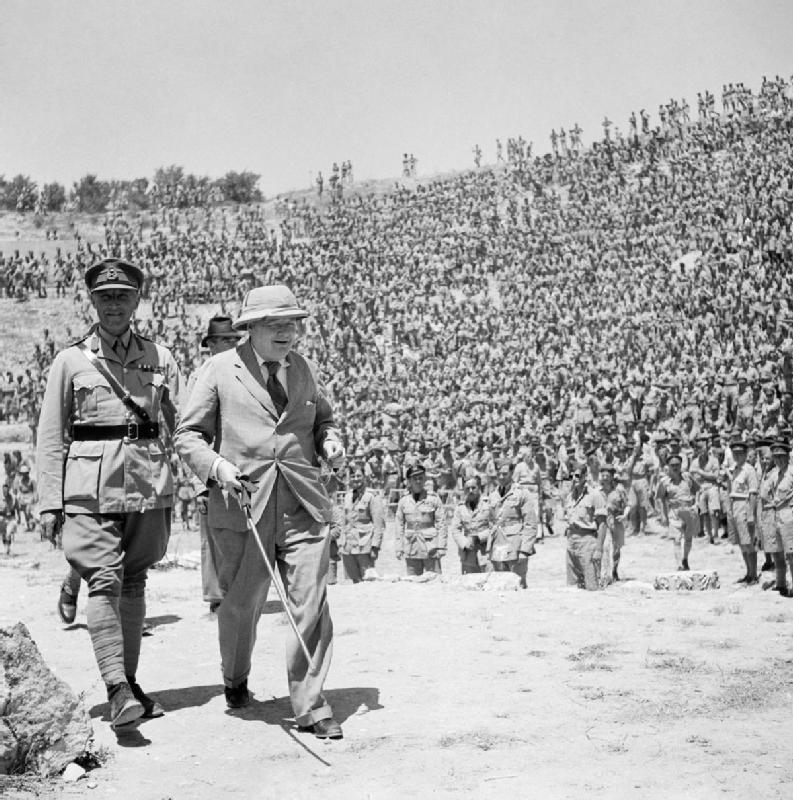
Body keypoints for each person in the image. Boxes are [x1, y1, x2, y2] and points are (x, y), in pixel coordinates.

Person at [174, 284, 345, 740]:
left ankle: (310, 703)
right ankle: (235, 678)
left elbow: (322, 417)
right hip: (243, 506)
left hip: (302, 505)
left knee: (311, 602)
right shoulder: (217, 370)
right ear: (251, 329)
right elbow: (188, 436)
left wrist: (329, 440)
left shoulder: (303, 369)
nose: (288, 332)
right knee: (240, 605)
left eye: (293, 323)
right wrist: (217, 467)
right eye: (276, 324)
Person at [36, 257, 182, 729]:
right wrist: (49, 502)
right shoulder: (71, 360)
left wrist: (205, 479)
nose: (114, 304)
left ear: (137, 301)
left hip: (147, 484)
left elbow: (186, 428)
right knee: (103, 579)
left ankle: (130, 683)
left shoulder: (162, 358)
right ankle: (116, 687)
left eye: (123, 295)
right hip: (89, 488)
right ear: (93, 301)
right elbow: (52, 435)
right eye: (105, 296)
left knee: (135, 581)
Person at [190, 315, 244, 612]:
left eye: (235, 339)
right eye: (224, 340)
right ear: (209, 344)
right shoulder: (201, 377)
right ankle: (217, 598)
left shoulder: (246, 373)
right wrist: (200, 484)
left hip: (243, 465)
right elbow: (190, 435)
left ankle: (241, 594)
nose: (231, 345)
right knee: (214, 539)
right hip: (212, 468)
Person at [487, 460, 537, 587]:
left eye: (505, 474)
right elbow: (490, 521)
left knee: (517, 585)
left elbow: (530, 524)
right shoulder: (493, 495)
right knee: (499, 585)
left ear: (512, 473)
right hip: (497, 547)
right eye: (499, 474)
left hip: (515, 546)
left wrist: (525, 550)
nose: (501, 477)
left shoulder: (522, 493)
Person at [395, 464, 447, 576]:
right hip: (411, 548)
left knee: (434, 581)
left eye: (421, 478)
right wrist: (399, 547)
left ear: (424, 479)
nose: (418, 481)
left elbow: (441, 524)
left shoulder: (433, 499)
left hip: (430, 548)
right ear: (409, 481)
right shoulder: (404, 501)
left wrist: (441, 546)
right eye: (415, 478)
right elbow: (399, 525)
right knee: (412, 584)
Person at [338, 464, 385, 583]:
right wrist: (341, 543)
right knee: (353, 582)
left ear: (364, 477)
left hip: (365, 545)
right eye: (353, 476)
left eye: (359, 475)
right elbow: (344, 522)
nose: (355, 479)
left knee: (368, 581)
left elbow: (378, 524)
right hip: (348, 546)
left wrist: (375, 546)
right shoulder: (348, 496)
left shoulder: (372, 496)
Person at [564, 463, 607, 590]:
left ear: (585, 476)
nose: (574, 479)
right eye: (571, 476)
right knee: (573, 585)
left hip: (587, 541)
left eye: (577, 476)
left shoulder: (594, 495)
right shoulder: (570, 496)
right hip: (572, 541)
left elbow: (602, 524)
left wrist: (599, 549)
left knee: (591, 584)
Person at [725, 434, 759, 584]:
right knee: (741, 543)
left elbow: (752, 493)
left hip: (744, 505)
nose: (737, 456)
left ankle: (754, 574)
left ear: (745, 454)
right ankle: (748, 573)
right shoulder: (735, 469)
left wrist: (751, 514)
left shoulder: (749, 470)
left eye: (740, 453)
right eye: (735, 453)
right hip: (734, 506)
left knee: (748, 542)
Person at [656, 454, 700, 571]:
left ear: (681, 465)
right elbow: (660, 498)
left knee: (688, 538)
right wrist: (662, 514)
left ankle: (685, 558)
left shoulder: (687, 478)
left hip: (688, 510)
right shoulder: (664, 482)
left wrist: (697, 504)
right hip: (674, 512)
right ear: (668, 466)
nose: (675, 467)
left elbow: (697, 490)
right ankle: (679, 564)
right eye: (672, 465)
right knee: (676, 539)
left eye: (677, 465)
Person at [449, 475, 493, 574]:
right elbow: (455, 530)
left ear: (479, 488)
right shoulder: (460, 507)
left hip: (485, 553)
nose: (470, 491)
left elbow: (494, 526)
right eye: (467, 488)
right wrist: (464, 543)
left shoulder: (488, 504)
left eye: (473, 488)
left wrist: (480, 537)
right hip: (468, 554)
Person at [771, 437, 793, 597]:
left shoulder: (791, 472)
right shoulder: (776, 474)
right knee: (777, 552)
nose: (778, 459)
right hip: (777, 514)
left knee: (791, 553)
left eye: (781, 456)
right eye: (775, 456)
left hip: (789, 514)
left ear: (788, 455)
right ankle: (781, 583)